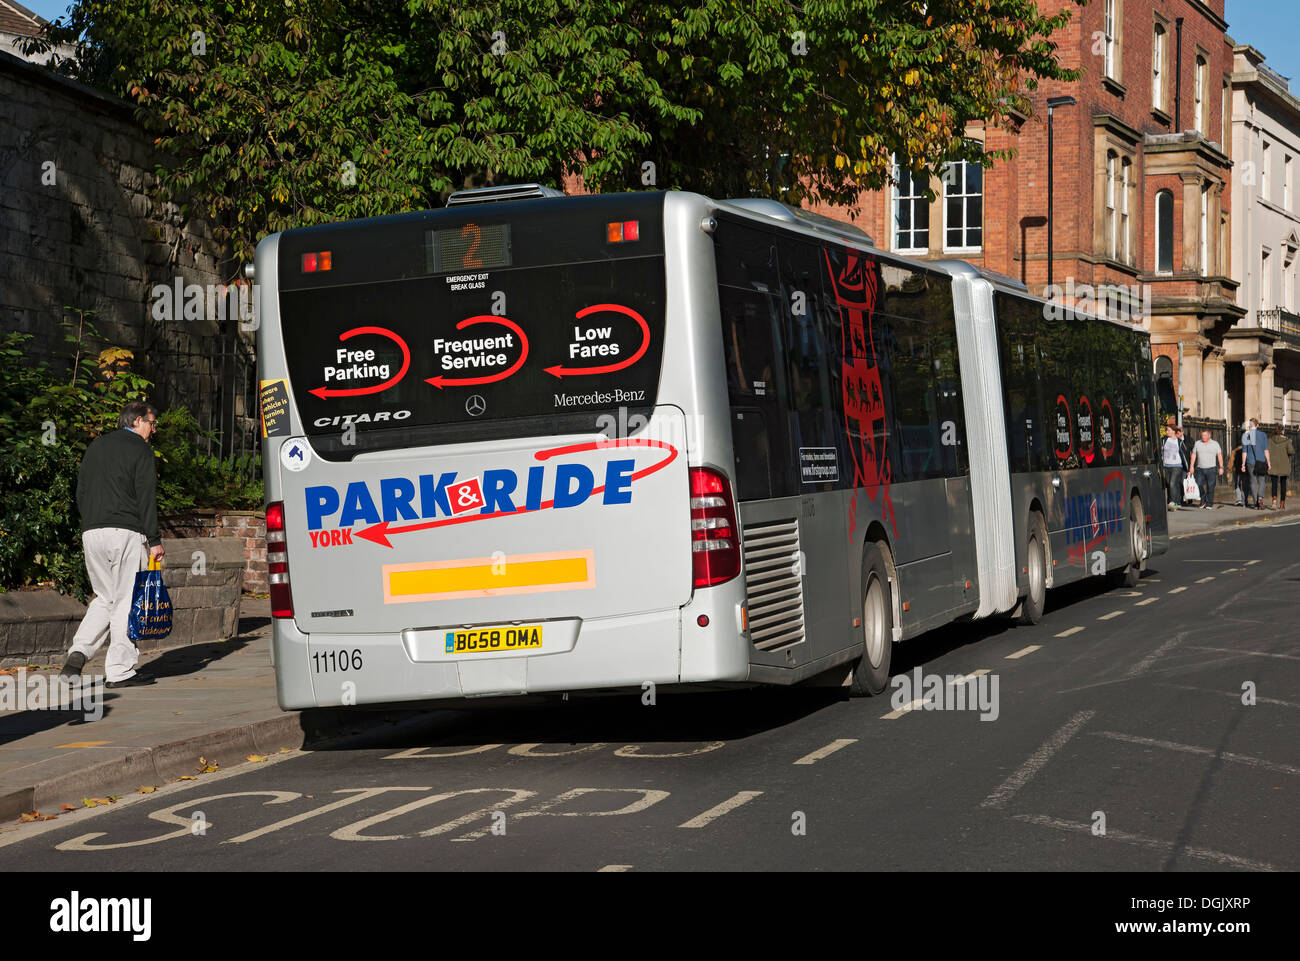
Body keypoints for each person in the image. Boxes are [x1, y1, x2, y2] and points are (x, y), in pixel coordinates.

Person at [59, 401, 165, 688]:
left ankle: (78, 653)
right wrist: (154, 540)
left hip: (92, 532)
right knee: (126, 600)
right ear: (137, 421)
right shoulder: (141, 449)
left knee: (105, 597)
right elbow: (145, 495)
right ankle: (119, 670)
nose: (153, 430)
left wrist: (92, 522)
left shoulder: (96, 446)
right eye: (151, 423)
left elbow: (81, 490)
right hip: (126, 532)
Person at [1190, 427, 1224, 510]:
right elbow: (1194, 454)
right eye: (1202, 435)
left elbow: (1219, 455)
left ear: (1209, 435)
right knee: (1198, 484)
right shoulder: (1197, 443)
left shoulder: (1215, 444)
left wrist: (1221, 467)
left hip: (1211, 469)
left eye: (1205, 435)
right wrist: (1191, 466)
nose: (1203, 437)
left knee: (1211, 486)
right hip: (1199, 468)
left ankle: (1209, 503)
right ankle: (1203, 499)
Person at [1242, 418, 1271, 510]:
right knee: (1262, 481)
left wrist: (1243, 464)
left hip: (1251, 462)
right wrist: (1268, 462)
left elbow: (1244, 452)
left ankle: (1255, 504)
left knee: (1253, 482)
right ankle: (1260, 498)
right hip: (1261, 461)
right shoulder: (1263, 435)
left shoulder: (1246, 435)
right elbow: (1266, 450)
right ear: (1257, 425)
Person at [1161, 423, 1185, 509]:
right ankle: (1174, 501)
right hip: (1166, 465)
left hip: (1177, 465)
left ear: (1174, 431)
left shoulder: (1179, 441)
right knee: (1169, 484)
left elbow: (1184, 443)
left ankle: (1173, 502)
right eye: (1166, 430)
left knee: (1172, 483)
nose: (1167, 432)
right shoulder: (1164, 440)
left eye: (1169, 430)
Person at [1269, 428, 1294, 509]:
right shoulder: (1287, 440)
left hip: (1273, 464)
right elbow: (1291, 451)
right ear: (1282, 432)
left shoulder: (1269, 440)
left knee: (1274, 484)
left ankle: (1274, 501)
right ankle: (1282, 503)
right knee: (1283, 484)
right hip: (1284, 465)